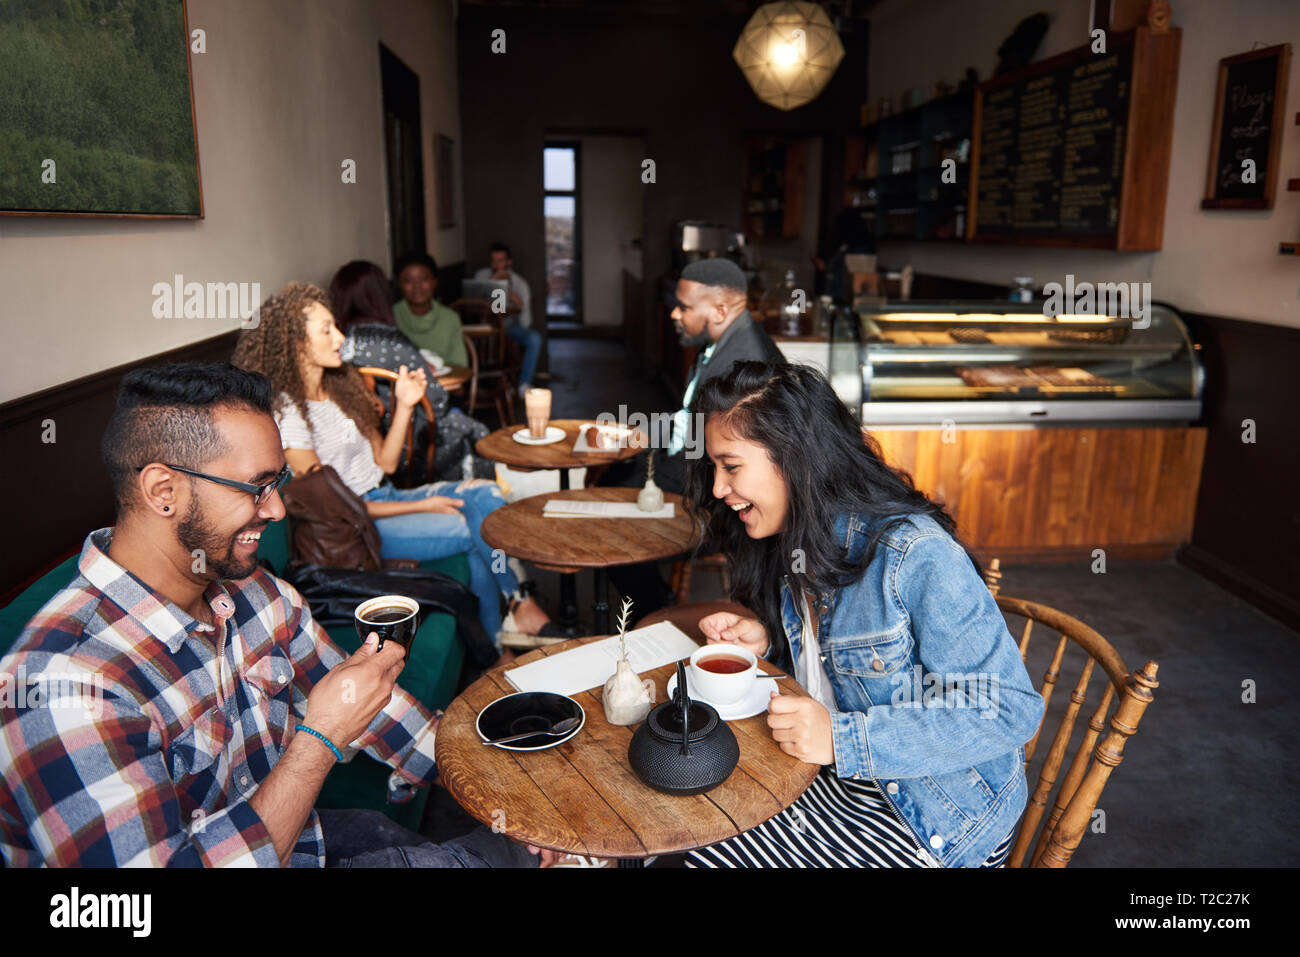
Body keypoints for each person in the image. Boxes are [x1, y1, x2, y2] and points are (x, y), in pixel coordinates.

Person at [0, 363, 553, 867]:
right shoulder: (63, 683)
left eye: (278, 483)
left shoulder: (255, 593)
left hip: (300, 845)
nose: (278, 509)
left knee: (518, 848)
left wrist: (503, 793)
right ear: (163, 491)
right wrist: (318, 740)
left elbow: (373, 708)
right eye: (257, 487)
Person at [682, 361, 1045, 868]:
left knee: (707, 852)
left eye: (732, 466)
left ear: (795, 458)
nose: (719, 488)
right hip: (842, 780)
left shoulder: (912, 554)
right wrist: (769, 640)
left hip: (932, 815)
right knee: (692, 825)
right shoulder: (798, 539)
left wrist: (841, 738)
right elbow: (841, 669)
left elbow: (1010, 709)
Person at [232, 282, 559, 645]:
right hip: (359, 524)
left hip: (385, 496)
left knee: (486, 494)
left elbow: (385, 462)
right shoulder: (288, 414)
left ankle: (516, 607)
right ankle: (503, 632)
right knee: (474, 532)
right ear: (295, 344)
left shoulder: (341, 387)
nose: (340, 336)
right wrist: (426, 504)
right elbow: (335, 510)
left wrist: (404, 404)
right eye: (327, 330)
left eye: (336, 326)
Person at [603, 257, 783, 619]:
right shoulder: (717, 344)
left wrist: (651, 470)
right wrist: (643, 432)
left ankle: (654, 614)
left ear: (718, 310)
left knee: (613, 534)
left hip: (715, 493)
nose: (673, 314)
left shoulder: (745, 363)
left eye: (684, 307)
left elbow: (723, 457)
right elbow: (691, 419)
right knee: (609, 481)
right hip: (690, 462)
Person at [329, 259, 494, 481]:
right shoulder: (392, 342)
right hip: (406, 444)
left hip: (359, 445)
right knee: (479, 433)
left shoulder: (336, 342)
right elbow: (435, 404)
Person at [473, 242, 542, 394]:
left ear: (509, 262)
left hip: (510, 327)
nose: (497, 265)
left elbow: (526, 321)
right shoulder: (481, 276)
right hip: (484, 326)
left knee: (534, 339)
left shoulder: (519, 283)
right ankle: (478, 387)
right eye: (494, 261)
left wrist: (513, 297)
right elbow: (473, 304)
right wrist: (493, 282)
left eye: (501, 260)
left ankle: (523, 384)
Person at [392, 251, 468, 369]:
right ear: (399, 284)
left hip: (445, 384)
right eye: (408, 281)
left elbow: (460, 366)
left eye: (424, 279)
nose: (417, 286)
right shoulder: (390, 316)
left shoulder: (450, 318)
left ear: (434, 281)